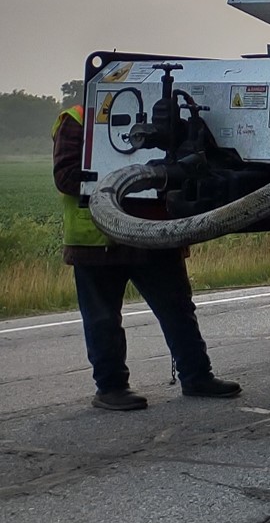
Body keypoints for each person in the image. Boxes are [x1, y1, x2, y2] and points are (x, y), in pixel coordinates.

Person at [52, 104, 241, 410]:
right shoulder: (77, 118)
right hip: (98, 239)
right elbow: (66, 176)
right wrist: (122, 183)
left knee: (177, 308)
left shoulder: (166, 115)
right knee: (102, 319)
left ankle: (197, 376)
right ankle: (111, 388)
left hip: (153, 233)